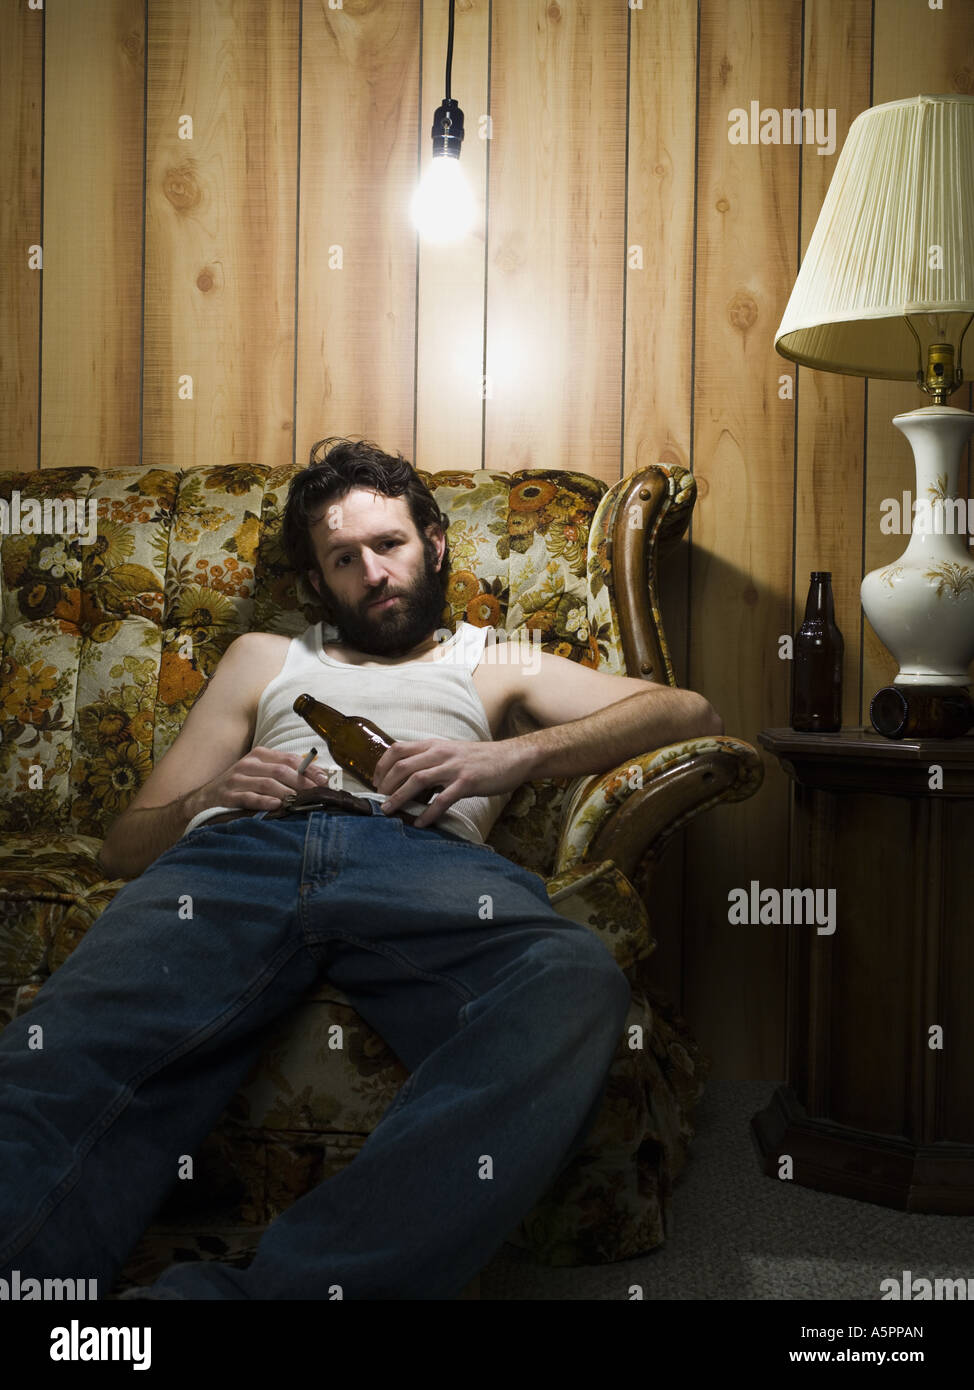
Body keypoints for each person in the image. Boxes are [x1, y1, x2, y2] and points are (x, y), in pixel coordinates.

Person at [0, 437, 723, 1300]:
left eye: (390, 545)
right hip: (241, 851)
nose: (373, 572)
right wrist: (209, 798)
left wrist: (511, 759)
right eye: (344, 559)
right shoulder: (264, 659)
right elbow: (125, 846)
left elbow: (686, 709)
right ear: (316, 582)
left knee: (571, 983)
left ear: (435, 545)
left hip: (418, 857)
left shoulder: (493, 659)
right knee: (65, 1051)